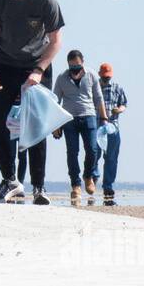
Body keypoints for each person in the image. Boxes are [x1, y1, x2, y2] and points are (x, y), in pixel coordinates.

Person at [0, 0, 64, 205]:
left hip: (36, 67)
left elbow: (56, 41)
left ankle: (39, 186)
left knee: (36, 128)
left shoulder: (45, 0)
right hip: (3, 64)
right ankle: (10, 180)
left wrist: (39, 69)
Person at [52, 50, 108, 205]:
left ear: (82, 62)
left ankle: (88, 175)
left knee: (92, 149)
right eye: (71, 66)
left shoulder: (91, 76)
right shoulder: (62, 78)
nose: (74, 68)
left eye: (77, 65)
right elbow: (55, 102)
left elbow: (98, 98)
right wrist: (55, 125)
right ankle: (75, 184)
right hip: (69, 119)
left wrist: (104, 119)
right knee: (72, 151)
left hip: (89, 115)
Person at [97, 63, 128, 205]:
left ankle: (108, 187)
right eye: (104, 77)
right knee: (94, 155)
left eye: (108, 77)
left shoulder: (117, 87)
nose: (106, 80)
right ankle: (93, 177)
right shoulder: (94, 87)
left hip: (113, 127)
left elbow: (124, 104)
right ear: (99, 75)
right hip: (97, 127)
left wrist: (119, 110)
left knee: (111, 159)